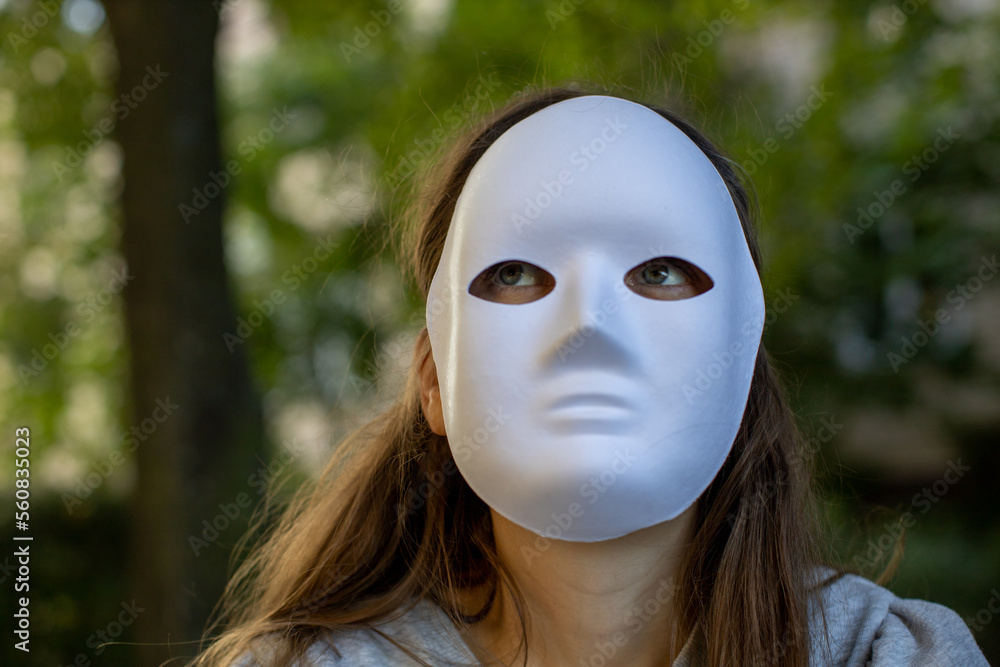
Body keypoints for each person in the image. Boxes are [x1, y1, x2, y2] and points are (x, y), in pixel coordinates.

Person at [189, 87, 988, 667]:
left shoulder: (884, 656)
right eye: (515, 275)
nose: (588, 327)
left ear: (741, 357)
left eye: (663, 272)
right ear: (434, 380)